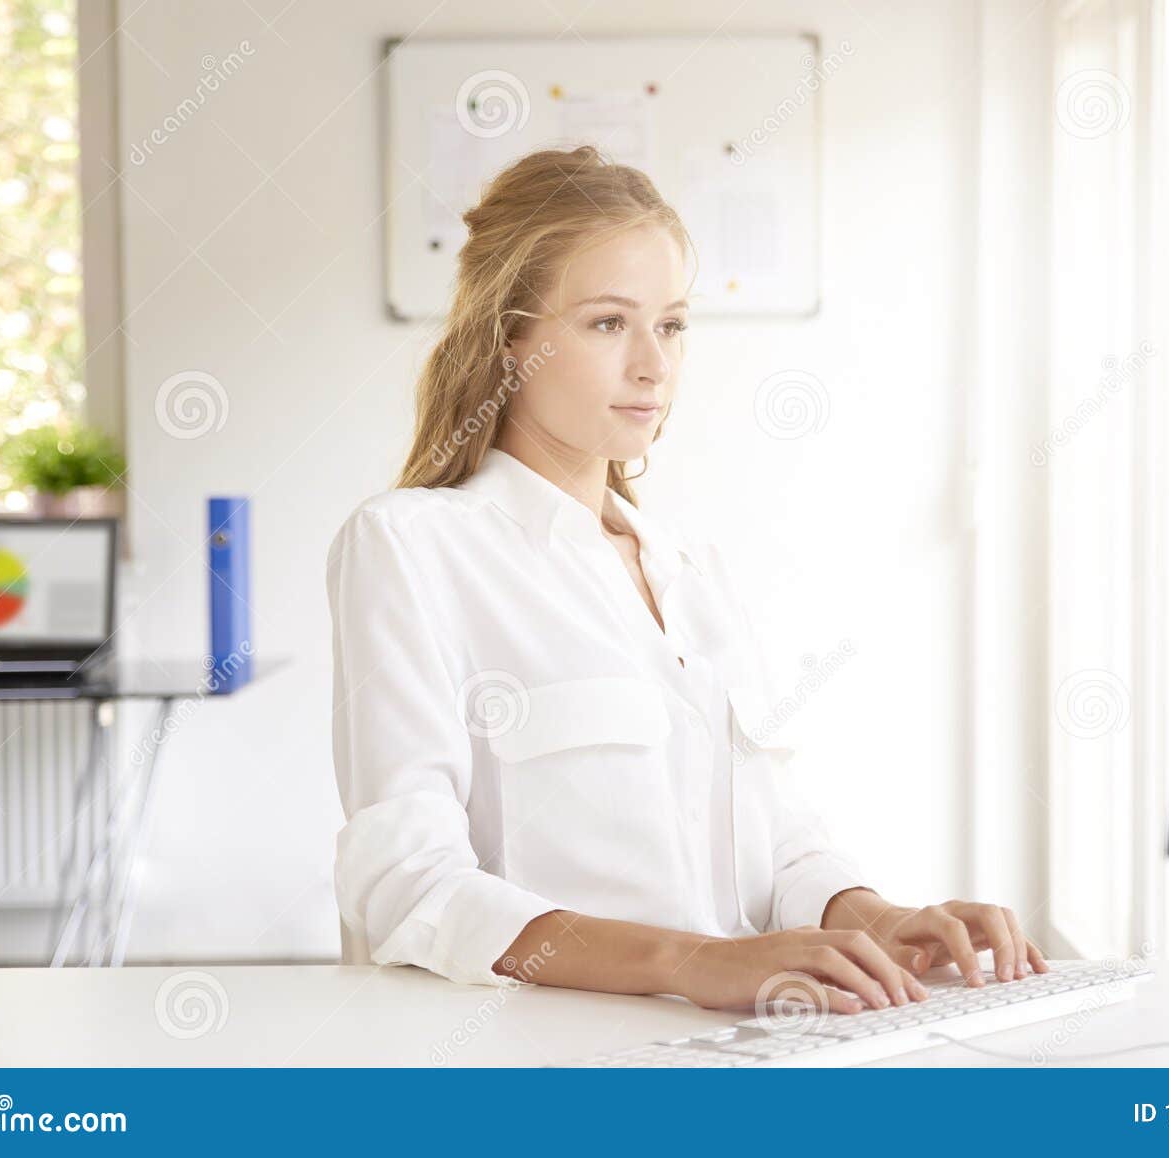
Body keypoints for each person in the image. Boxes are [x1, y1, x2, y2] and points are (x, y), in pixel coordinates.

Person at [327, 145, 1045, 1015]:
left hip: (744, 1045)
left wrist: (873, 918)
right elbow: (410, 887)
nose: (653, 365)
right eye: (606, 323)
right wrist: (689, 961)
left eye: (670, 325)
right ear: (510, 337)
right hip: (548, 1067)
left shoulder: (688, 567)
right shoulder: (412, 545)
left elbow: (777, 842)